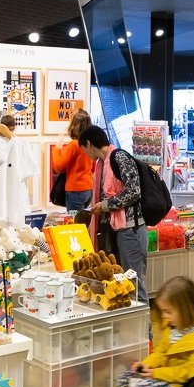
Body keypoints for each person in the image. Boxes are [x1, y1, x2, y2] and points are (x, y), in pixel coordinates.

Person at [80, 125, 149, 301]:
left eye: (84, 149)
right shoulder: (103, 164)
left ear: (89, 144)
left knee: (133, 283)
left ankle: (144, 329)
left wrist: (105, 205)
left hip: (131, 229)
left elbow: (134, 191)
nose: (85, 155)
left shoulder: (119, 157)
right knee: (122, 283)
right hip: (118, 229)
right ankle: (129, 327)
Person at [51, 111, 96, 213]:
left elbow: (59, 166)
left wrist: (57, 148)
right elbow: (93, 168)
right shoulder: (90, 144)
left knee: (75, 223)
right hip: (88, 189)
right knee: (83, 221)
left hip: (75, 190)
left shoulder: (74, 145)